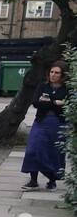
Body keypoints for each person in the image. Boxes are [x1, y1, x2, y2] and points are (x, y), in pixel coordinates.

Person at [21, 61, 68, 189]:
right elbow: (36, 103)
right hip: (41, 122)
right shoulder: (43, 86)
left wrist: (48, 102)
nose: (53, 75)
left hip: (58, 125)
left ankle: (52, 179)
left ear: (62, 75)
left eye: (57, 73)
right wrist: (55, 103)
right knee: (32, 149)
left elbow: (66, 107)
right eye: (52, 72)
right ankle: (33, 180)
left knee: (54, 153)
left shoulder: (67, 89)